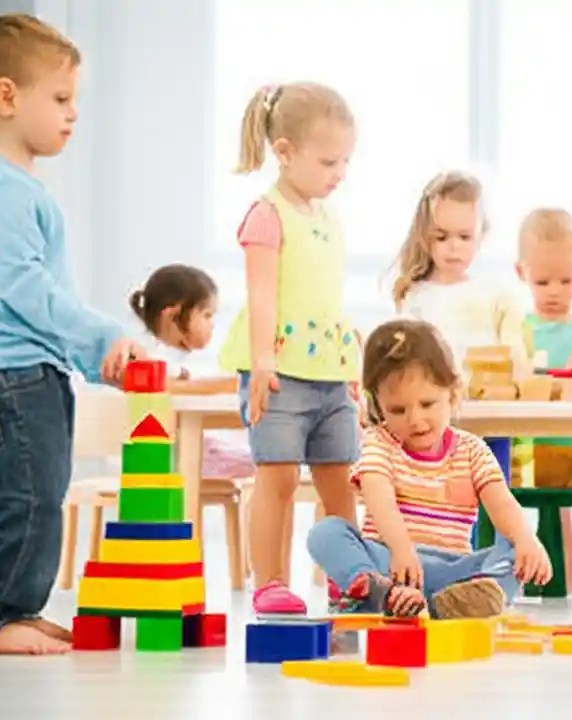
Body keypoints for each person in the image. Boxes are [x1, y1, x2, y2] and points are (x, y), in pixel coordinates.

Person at [0, 14, 141, 654]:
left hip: (24, 373)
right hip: (3, 378)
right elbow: (23, 291)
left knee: (40, 495)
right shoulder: (4, 193)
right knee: (22, 499)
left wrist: (86, 359)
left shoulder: (19, 189)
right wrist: (99, 333)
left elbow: (33, 300)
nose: (73, 114)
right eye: (60, 99)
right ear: (7, 97)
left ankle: (18, 609)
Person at [217, 82, 362, 615]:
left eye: (345, 161)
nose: (339, 173)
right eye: (328, 161)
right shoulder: (268, 215)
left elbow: (329, 304)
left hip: (329, 374)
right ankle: (271, 581)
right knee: (276, 477)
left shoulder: (328, 220)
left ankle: (354, 576)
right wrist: (261, 363)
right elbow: (261, 296)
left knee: (340, 480)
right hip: (279, 374)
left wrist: (351, 371)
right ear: (285, 152)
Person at [308, 319, 552, 618]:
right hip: (390, 563)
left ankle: (454, 604)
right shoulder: (378, 442)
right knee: (326, 532)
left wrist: (526, 541)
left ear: (452, 393)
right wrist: (401, 549)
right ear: (378, 405)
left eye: (427, 404)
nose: (415, 419)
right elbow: (378, 498)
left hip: (453, 571)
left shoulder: (472, 449)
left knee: (515, 550)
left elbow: (501, 502)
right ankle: (379, 592)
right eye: (398, 410)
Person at [391, 170, 528, 373]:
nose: (454, 246)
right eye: (441, 237)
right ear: (424, 235)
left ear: (482, 234)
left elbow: (516, 360)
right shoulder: (416, 298)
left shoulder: (495, 297)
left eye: (464, 237)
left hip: (485, 399)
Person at [128, 264, 254, 478]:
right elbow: (160, 387)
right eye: (206, 315)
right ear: (172, 316)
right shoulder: (144, 353)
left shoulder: (175, 359)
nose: (212, 325)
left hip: (167, 454)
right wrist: (228, 384)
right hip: (152, 460)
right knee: (256, 465)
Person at [514, 208, 572, 489]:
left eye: (566, 281)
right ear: (521, 272)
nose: (554, 291)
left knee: (567, 511)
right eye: (542, 282)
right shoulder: (518, 331)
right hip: (527, 449)